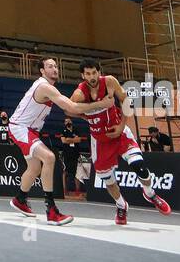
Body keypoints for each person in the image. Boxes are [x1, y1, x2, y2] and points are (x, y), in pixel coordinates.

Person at [7, 57, 113, 225]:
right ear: (42, 71)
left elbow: (71, 109)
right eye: (50, 66)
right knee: (49, 158)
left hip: (30, 130)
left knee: (34, 168)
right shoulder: (44, 87)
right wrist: (101, 104)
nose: (54, 69)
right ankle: (51, 211)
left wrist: (89, 117)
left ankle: (20, 199)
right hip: (20, 127)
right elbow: (71, 107)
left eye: (56, 66)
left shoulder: (49, 87)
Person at [73, 59, 172, 225]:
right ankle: (121, 205)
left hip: (119, 133)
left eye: (94, 73)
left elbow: (126, 102)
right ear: (83, 75)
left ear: (99, 72)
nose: (92, 77)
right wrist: (95, 107)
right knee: (108, 180)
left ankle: (150, 193)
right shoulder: (80, 93)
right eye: (88, 74)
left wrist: (121, 126)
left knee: (139, 166)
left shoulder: (110, 82)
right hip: (100, 140)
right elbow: (68, 109)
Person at [59, 117, 83, 195]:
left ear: (71, 121)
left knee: (77, 172)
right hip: (67, 154)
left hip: (75, 153)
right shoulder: (63, 130)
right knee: (65, 172)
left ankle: (77, 190)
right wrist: (73, 139)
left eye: (68, 121)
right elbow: (64, 141)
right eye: (65, 121)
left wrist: (69, 139)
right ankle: (64, 190)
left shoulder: (76, 129)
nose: (67, 122)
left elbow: (79, 140)